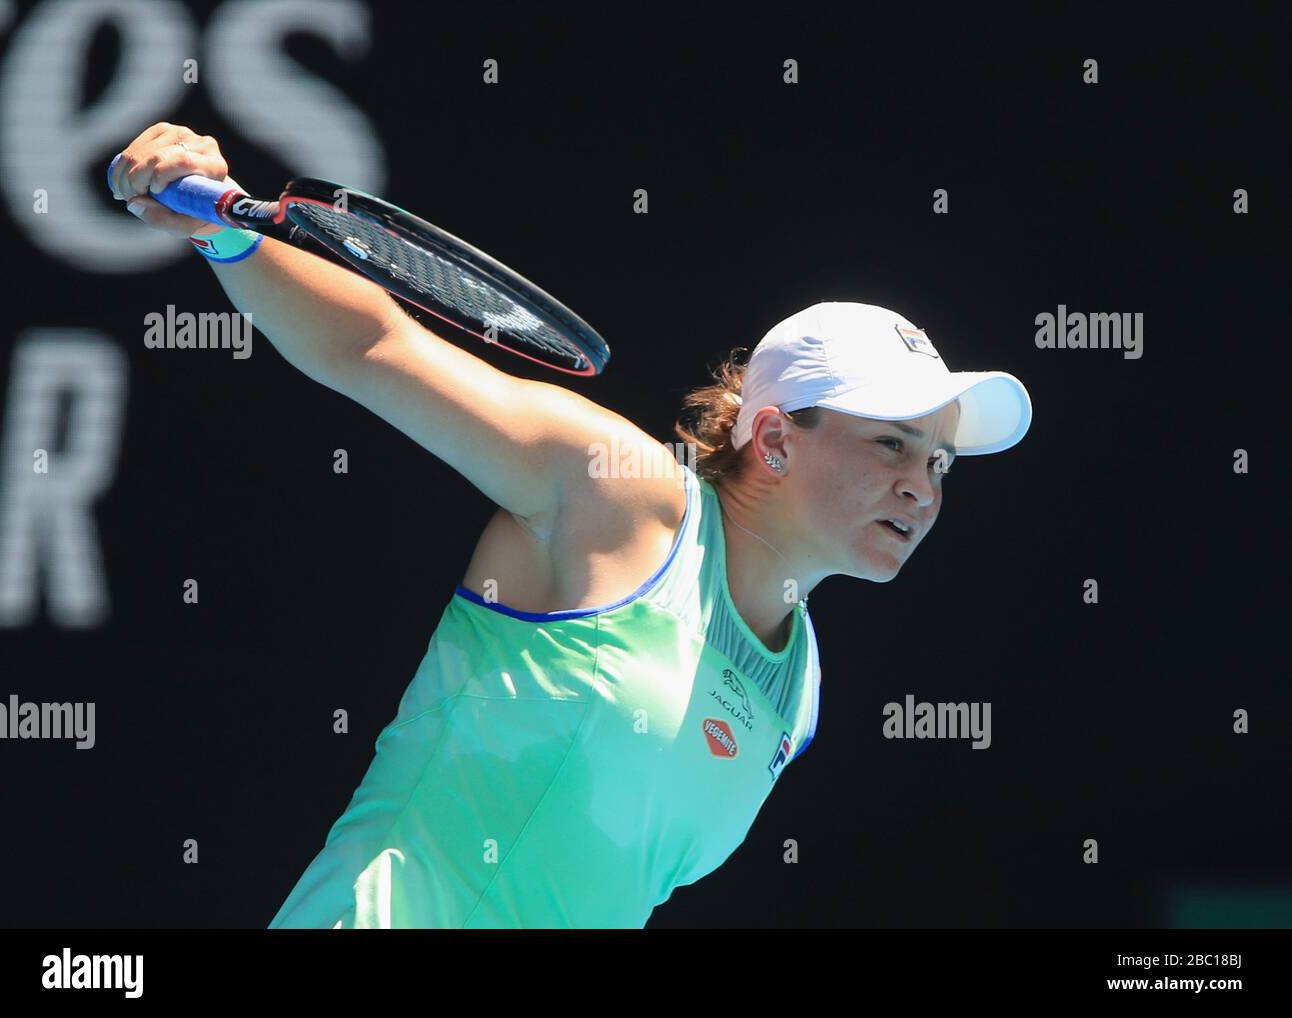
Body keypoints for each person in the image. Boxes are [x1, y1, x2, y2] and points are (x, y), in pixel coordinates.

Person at [112, 124, 1033, 928]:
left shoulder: (801, 694)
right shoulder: (619, 493)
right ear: (775, 439)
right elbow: (375, 347)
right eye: (892, 446)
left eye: (939, 463)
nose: (922, 488)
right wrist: (224, 228)